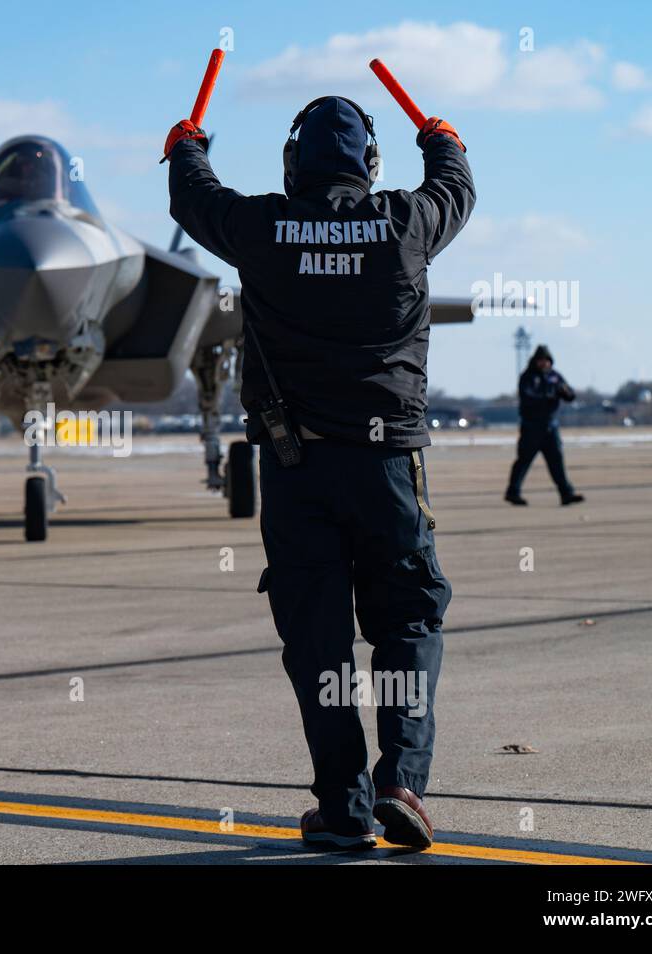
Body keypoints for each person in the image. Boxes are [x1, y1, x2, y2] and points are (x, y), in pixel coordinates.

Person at [165, 97, 474, 850]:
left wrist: (187, 145)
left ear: (291, 165)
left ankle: (343, 807)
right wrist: (442, 140)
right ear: (370, 164)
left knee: (319, 636)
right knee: (405, 617)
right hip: (390, 467)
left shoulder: (264, 230)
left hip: (296, 466)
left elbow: (194, 198)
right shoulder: (406, 223)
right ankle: (402, 781)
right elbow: (457, 187)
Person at [505, 345, 584, 506]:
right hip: (532, 427)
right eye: (541, 361)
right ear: (536, 361)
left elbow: (570, 394)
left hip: (550, 427)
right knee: (524, 461)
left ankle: (566, 493)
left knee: (557, 461)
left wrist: (564, 392)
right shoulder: (528, 377)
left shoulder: (555, 377)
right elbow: (528, 397)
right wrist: (548, 396)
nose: (544, 364)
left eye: (546, 361)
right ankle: (513, 492)